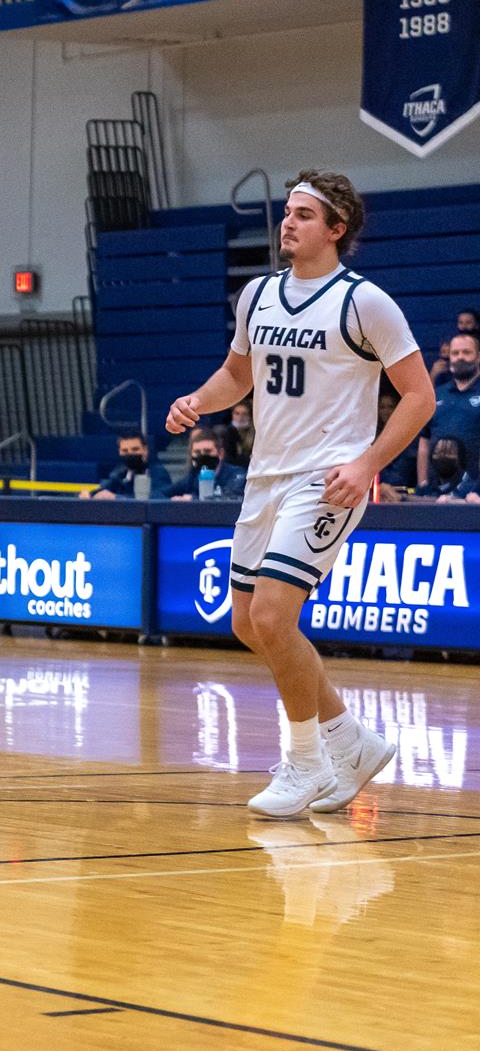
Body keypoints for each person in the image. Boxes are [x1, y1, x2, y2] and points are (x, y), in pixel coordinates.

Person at [166, 170, 433, 819]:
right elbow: (239, 373)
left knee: (272, 617)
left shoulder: (365, 302)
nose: (288, 223)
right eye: (288, 212)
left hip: (327, 477)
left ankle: (306, 760)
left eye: (305, 214)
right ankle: (351, 738)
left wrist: (368, 462)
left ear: (337, 229)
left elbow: (421, 396)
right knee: (243, 621)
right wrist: (199, 402)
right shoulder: (257, 294)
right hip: (265, 477)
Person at [417, 331, 480, 486]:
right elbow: (424, 443)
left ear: (478, 357)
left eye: (466, 352)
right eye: (455, 353)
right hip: (436, 492)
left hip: (474, 494)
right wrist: (423, 484)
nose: (460, 357)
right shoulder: (436, 394)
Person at [82, 432, 173, 500]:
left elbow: (158, 501)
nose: (130, 454)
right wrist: (90, 494)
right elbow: (104, 488)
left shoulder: (158, 473)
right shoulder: (120, 473)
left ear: (145, 450)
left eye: (135, 449)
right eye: (125, 451)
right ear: (119, 452)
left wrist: (117, 498)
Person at [168, 430, 247, 501]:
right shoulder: (193, 477)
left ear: (221, 454)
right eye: (197, 452)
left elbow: (233, 497)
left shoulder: (237, 474)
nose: (202, 456)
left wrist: (193, 499)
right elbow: (161, 494)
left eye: (207, 451)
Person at [415, 438, 480, 501]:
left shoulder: (469, 484)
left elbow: (463, 500)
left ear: (460, 458)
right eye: (437, 453)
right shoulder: (429, 485)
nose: (443, 457)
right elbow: (419, 499)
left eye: (450, 453)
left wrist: (451, 501)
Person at [224, 399, 256, 466]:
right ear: (232, 415)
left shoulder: (256, 432)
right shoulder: (228, 432)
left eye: (244, 414)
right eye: (237, 413)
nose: (240, 418)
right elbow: (229, 457)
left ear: (250, 416)